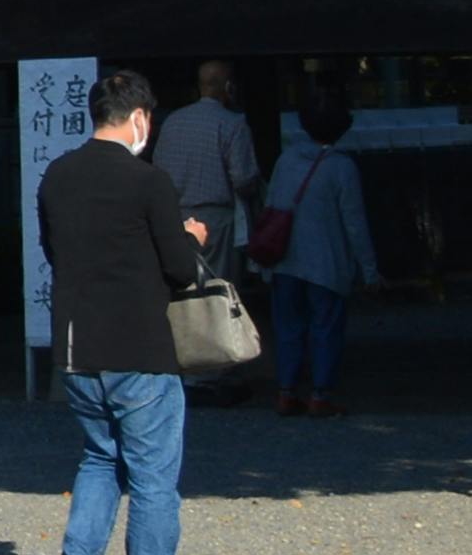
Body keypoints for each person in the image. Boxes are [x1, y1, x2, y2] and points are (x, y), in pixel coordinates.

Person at [37, 66, 213, 555]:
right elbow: (181, 269)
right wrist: (192, 236)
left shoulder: (57, 176)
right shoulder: (148, 182)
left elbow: (53, 251)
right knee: (153, 476)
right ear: (139, 118)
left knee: (98, 456)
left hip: (75, 346)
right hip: (138, 347)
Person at [255, 81, 377, 418]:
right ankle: (321, 394)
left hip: (285, 259)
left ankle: (286, 390)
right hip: (327, 262)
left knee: (288, 327)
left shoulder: (286, 160)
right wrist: (369, 268)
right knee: (326, 328)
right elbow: (355, 223)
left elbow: (271, 206)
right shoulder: (342, 167)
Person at [153, 58, 267, 235]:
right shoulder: (233, 124)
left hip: (175, 219)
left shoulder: (171, 122)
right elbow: (243, 180)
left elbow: (157, 171)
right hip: (216, 222)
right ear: (229, 86)